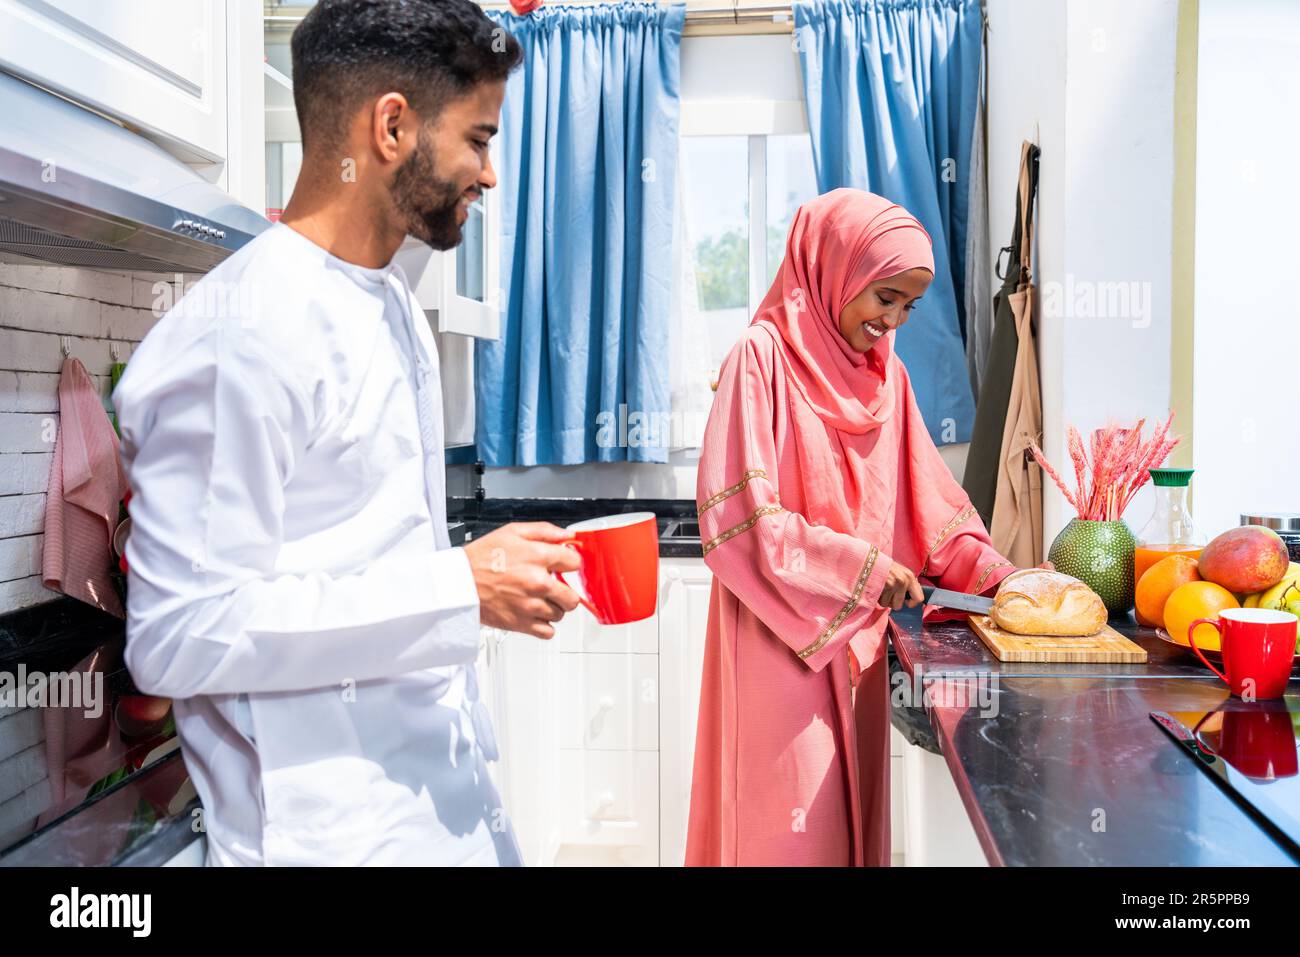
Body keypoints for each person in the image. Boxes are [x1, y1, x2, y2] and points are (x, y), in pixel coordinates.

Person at [112, 0, 582, 866]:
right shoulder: (238, 335)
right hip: (326, 841)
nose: (488, 174)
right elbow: (178, 635)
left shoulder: (390, 302)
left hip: (434, 812)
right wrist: (459, 589)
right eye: (478, 140)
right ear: (392, 125)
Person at [686, 189, 1030, 866]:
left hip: (862, 651)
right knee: (788, 833)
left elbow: (933, 513)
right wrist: (865, 569)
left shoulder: (888, 380)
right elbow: (740, 523)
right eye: (884, 296)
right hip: (776, 645)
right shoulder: (760, 359)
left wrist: (1012, 582)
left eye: (909, 304)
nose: (894, 318)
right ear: (833, 269)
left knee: (849, 830)